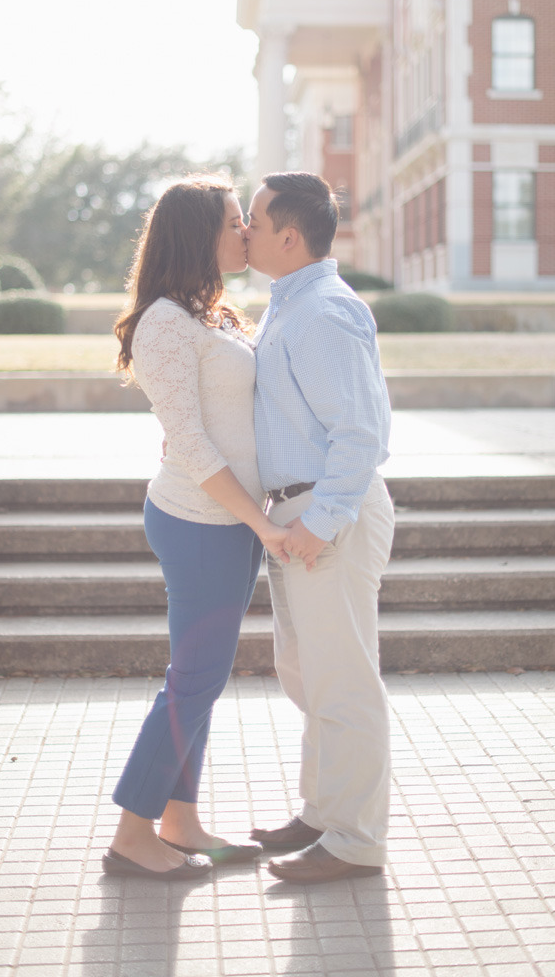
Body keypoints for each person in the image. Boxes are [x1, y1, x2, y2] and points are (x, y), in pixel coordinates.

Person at [106, 175, 289, 882]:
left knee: (203, 680)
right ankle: (132, 834)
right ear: (198, 234)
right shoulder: (163, 323)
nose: (246, 231)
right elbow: (188, 443)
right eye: (236, 221)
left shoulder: (211, 314)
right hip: (199, 521)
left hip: (229, 521)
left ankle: (179, 821)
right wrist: (262, 523)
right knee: (192, 681)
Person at [244, 171, 395, 885]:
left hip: (325, 513)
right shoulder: (290, 305)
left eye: (252, 220)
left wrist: (323, 520)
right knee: (308, 676)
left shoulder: (324, 312)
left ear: (288, 236)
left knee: (344, 682)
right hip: (295, 513)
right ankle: (322, 814)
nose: (243, 231)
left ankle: (355, 841)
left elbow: (361, 431)